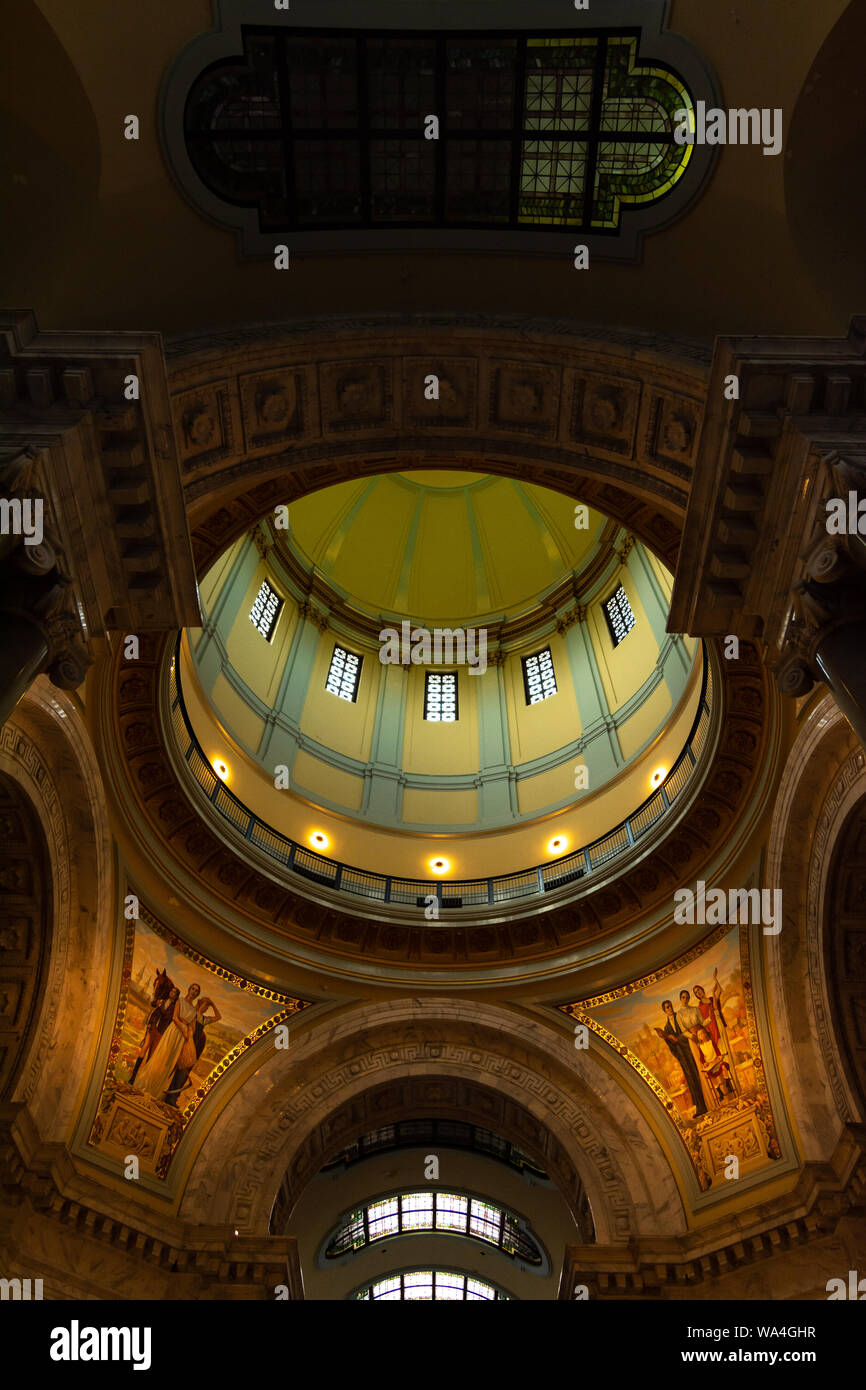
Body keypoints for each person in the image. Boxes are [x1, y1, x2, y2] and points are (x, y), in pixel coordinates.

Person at [136, 983, 219, 1103]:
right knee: (161, 1057)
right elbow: (175, 1017)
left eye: (196, 991)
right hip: (174, 1031)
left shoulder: (193, 1010)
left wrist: (188, 1033)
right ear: (189, 990)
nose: (194, 992)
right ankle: (145, 1083)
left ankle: (155, 1090)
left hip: (182, 1038)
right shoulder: (180, 1001)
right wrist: (183, 1029)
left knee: (169, 1063)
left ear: (197, 995)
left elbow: (192, 1024)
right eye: (193, 989)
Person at [163, 995, 221, 1108]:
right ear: (200, 1004)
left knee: (182, 1075)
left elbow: (218, 1017)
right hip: (182, 1043)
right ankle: (162, 1091)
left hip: (191, 1049)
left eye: (207, 1007)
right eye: (205, 1005)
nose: (206, 1009)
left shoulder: (204, 1020)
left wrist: (213, 1004)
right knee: (169, 1068)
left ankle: (172, 1099)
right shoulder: (192, 1013)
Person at [655, 999, 707, 1117]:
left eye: (670, 1006)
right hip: (683, 1057)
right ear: (664, 1011)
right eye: (667, 1007)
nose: (669, 1008)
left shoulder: (680, 1017)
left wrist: (679, 1040)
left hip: (690, 1051)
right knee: (691, 1081)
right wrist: (667, 1038)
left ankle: (708, 1101)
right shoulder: (666, 1027)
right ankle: (700, 1107)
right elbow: (671, 1046)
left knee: (699, 1075)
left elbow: (687, 1032)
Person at [693, 970, 741, 1094]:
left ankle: (733, 1080)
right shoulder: (699, 1008)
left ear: (702, 990)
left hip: (718, 1022)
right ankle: (727, 1084)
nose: (698, 992)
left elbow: (718, 993)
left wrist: (715, 980)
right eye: (696, 992)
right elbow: (703, 1023)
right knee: (720, 1054)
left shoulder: (710, 999)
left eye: (699, 990)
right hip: (711, 1029)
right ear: (696, 995)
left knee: (726, 1049)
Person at [129, 979, 178, 1085]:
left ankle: (142, 1079)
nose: (172, 993)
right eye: (171, 991)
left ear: (176, 996)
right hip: (152, 1028)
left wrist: (160, 1006)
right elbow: (152, 1003)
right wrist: (157, 1001)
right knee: (144, 1048)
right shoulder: (163, 1000)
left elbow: (166, 1015)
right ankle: (133, 1076)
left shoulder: (174, 1007)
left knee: (151, 1056)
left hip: (160, 1032)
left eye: (174, 992)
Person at [695, 1026, 735, 1106]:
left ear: (706, 1034)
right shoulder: (700, 1047)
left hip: (716, 1061)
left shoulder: (711, 1042)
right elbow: (701, 1058)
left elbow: (717, 1051)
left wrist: (719, 1056)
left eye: (702, 1033)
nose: (701, 1035)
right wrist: (704, 1063)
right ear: (698, 1037)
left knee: (723, 1066)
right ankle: (719, 1092)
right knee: (710, 1075)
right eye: (699, 1035)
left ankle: (728, 1083)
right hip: (710, 1064)